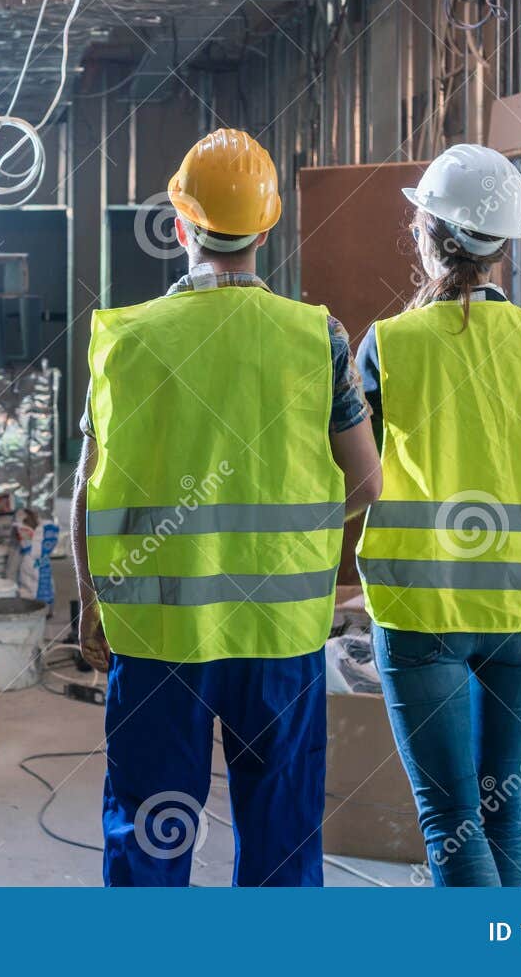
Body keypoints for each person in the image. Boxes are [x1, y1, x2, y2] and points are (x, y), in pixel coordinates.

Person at [69, 128, 382, 887]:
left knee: (149, 833)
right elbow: (367, 482)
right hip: (278, 635)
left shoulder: (128, 338)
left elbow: (86, 485)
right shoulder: (320, 337)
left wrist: (88, 601)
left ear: (182, 226)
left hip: (158, 632)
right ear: (267, 229)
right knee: (280, 840)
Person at [353, 143, 521, 887]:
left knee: (451, 818)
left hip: (425, 607)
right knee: (499, 806)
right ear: (505, 246)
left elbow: (360, 478)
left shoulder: (388, 344)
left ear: (427, 231)